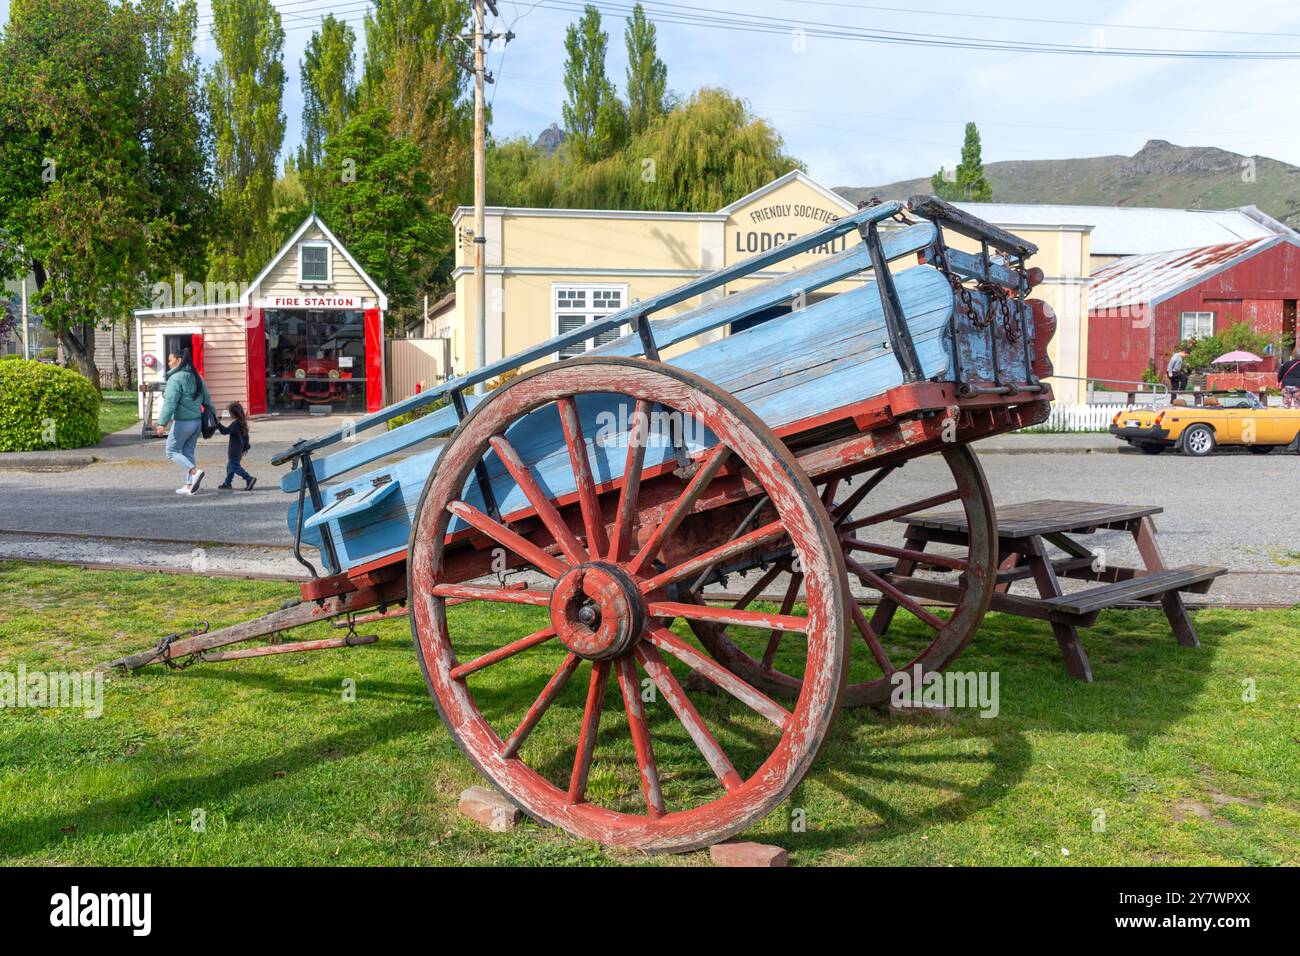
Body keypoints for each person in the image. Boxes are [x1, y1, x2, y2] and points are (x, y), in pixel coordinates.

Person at [154, 347, 211, 495]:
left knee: (171, 451)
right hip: (197, 422)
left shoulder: (176, 378)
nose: (168, 363)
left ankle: (194, 472)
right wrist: (213, 416)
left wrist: (162, 423)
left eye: (170, 360)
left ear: (179, 360)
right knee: (188, 452)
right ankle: (189, 485)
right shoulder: (197, 376)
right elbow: (207, 399)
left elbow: (170, 403)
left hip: (183, 423)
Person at [216, 402, 257, 491]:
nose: (230, 415)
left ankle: (249, 479)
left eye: (230, 413)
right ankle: (227, 483)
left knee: (234, 466)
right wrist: (246, 448)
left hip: (234, 450)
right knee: (230, 466)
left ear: (234, 414)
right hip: (239, 450)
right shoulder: (242, 423)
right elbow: (246, 437)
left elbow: (225, 431)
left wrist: (218, 424)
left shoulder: (235, 424)